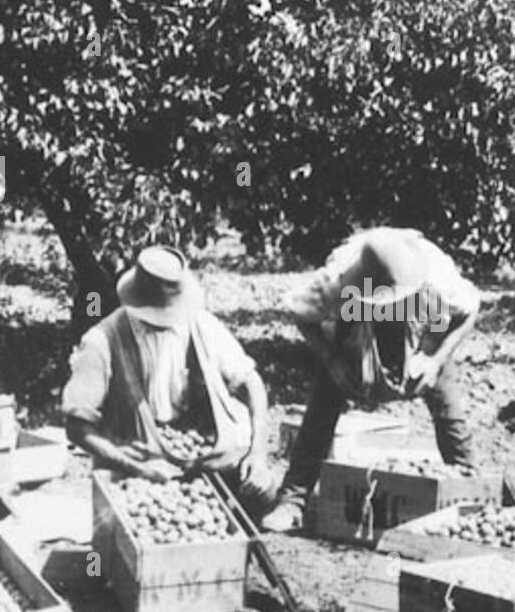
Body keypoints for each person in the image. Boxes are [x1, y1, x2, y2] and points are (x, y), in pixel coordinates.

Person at [261, 228, 481, 532]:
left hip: (423, 328)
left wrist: (434, 361)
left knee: (449, 413)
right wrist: (331, 360)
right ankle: (293, 501)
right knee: (322, 407)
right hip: (356, 328)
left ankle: (472, 495)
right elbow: (302, 315)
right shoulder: (338, 281)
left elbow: (470, 312)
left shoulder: (436, 277)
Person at [62, 245, 275, 513]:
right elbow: (77, 428)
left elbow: (251, 382)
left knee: (262, 492)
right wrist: (135, 467)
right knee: (133, 525)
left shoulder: (200, 324)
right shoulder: (102, 341)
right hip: (138, 457)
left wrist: (258, 453)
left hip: (200, 454)